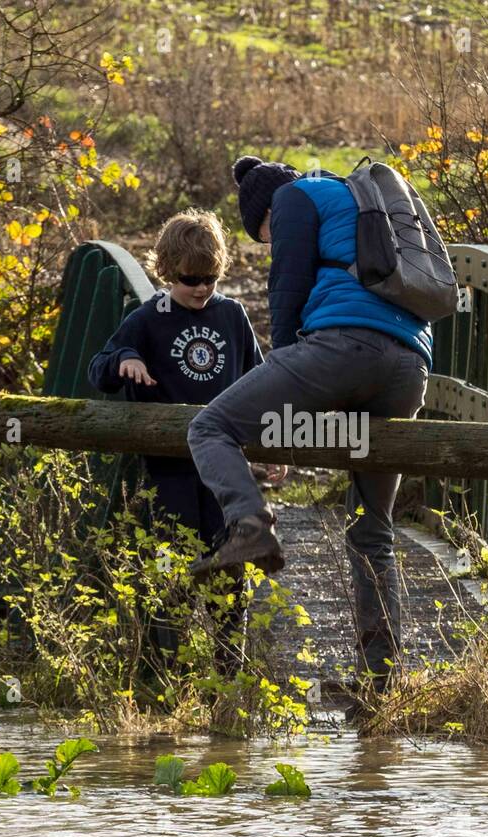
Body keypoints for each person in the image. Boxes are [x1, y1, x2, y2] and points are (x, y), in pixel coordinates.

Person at [187, 156, 432, 707]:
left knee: (210, 426)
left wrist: (282, 378)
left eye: (264, 233)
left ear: (268, 210)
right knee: (373, 533)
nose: (270, 242)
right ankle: (379, 687)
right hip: (408, 371)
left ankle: (250, 525)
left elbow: (287, 289)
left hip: (344, 352)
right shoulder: (356, 199)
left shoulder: (297, 198)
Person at [88, 208, 278, 677]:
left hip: (225, 476)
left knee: (232, 578)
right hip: (169, 472)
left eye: (210, 279)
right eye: (191, 279)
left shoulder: (232, 316)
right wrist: (125, 361)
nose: (201, 289)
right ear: (169, 271)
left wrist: (274, 447)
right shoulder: (149, 317)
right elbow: (100, 367)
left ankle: (227, 680)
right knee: (171, 575)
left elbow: (260, 383)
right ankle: (164, 678)